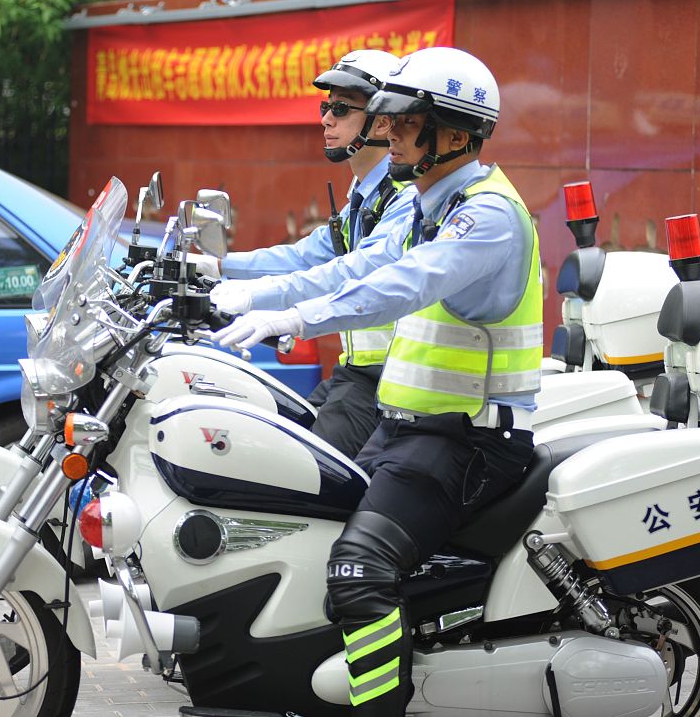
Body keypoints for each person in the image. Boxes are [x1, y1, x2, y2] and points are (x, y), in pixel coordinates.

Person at [213, 46, 541, 716]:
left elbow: (401, 286)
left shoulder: (487, 217)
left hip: (466, 445)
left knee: (359, 571)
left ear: (453, 134)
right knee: (304, 525)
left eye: (403, 122)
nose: (386, 133)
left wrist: (295, 317)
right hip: (408, 433)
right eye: (386, 120)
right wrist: (248, 297)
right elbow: (346, 270)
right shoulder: (426, 207)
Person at [200, 49, 416, 457]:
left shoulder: (406, 199)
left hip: (393, 385)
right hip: (357, 374)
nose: (325, 119)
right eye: (325, 107)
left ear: (382, 121)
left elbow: (353, 270)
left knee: (306, 474)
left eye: (340, 109)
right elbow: (304, 257)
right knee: (270, 442)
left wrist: (268, 306)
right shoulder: (366, 195)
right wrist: (217, 266)